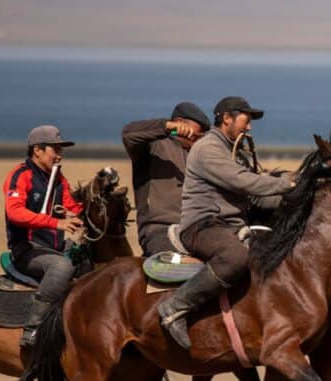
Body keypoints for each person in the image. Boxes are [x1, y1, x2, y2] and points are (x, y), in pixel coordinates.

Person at [159, 96, 296, 349]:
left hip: (231, 226)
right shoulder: (208, 148)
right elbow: (244, 182)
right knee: (235, 257)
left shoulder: (237, 154)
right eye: (246, 120)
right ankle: (175, 308)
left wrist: (295, 199)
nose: (249, 127)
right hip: (203, 226)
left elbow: (256, 197)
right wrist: (285, 184)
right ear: (226, 118)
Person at [3, 125, 83, 347]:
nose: (59, 155)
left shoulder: (59, 179)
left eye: (61, 150)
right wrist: (57, 223)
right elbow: (15, 212)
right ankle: (34, 328)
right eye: (54, 149)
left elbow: (73, 207)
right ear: (37, 150)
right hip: (28, 249)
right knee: (62, 268)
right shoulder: (20, 175)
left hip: (56, 247)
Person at [121, 102, 211, 256]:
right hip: (160, 229)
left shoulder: (199, 154)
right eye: (195, 134)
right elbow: (128, 134)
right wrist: (168, 126)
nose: (197, 140)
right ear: (180, 123)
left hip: (197, 230)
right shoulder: (152, 145)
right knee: (179, 268)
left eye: (201, 136)